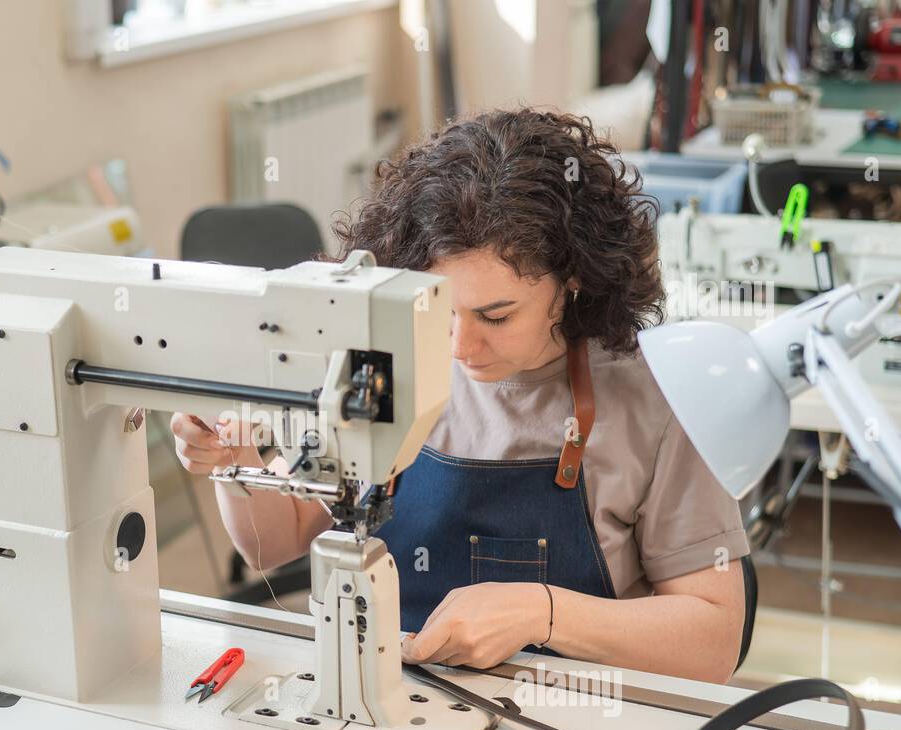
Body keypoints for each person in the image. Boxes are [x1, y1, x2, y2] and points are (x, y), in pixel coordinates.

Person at [171, 108, 748, 684]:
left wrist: (543, 614)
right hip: (401, 704)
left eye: (495, 316)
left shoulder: (658, 399)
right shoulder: (383, 359)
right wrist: (236, 461)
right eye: (440, 309)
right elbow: (272, 544)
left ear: (572, 282)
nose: (460, 346)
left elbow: (713, 642)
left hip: (578, 720)